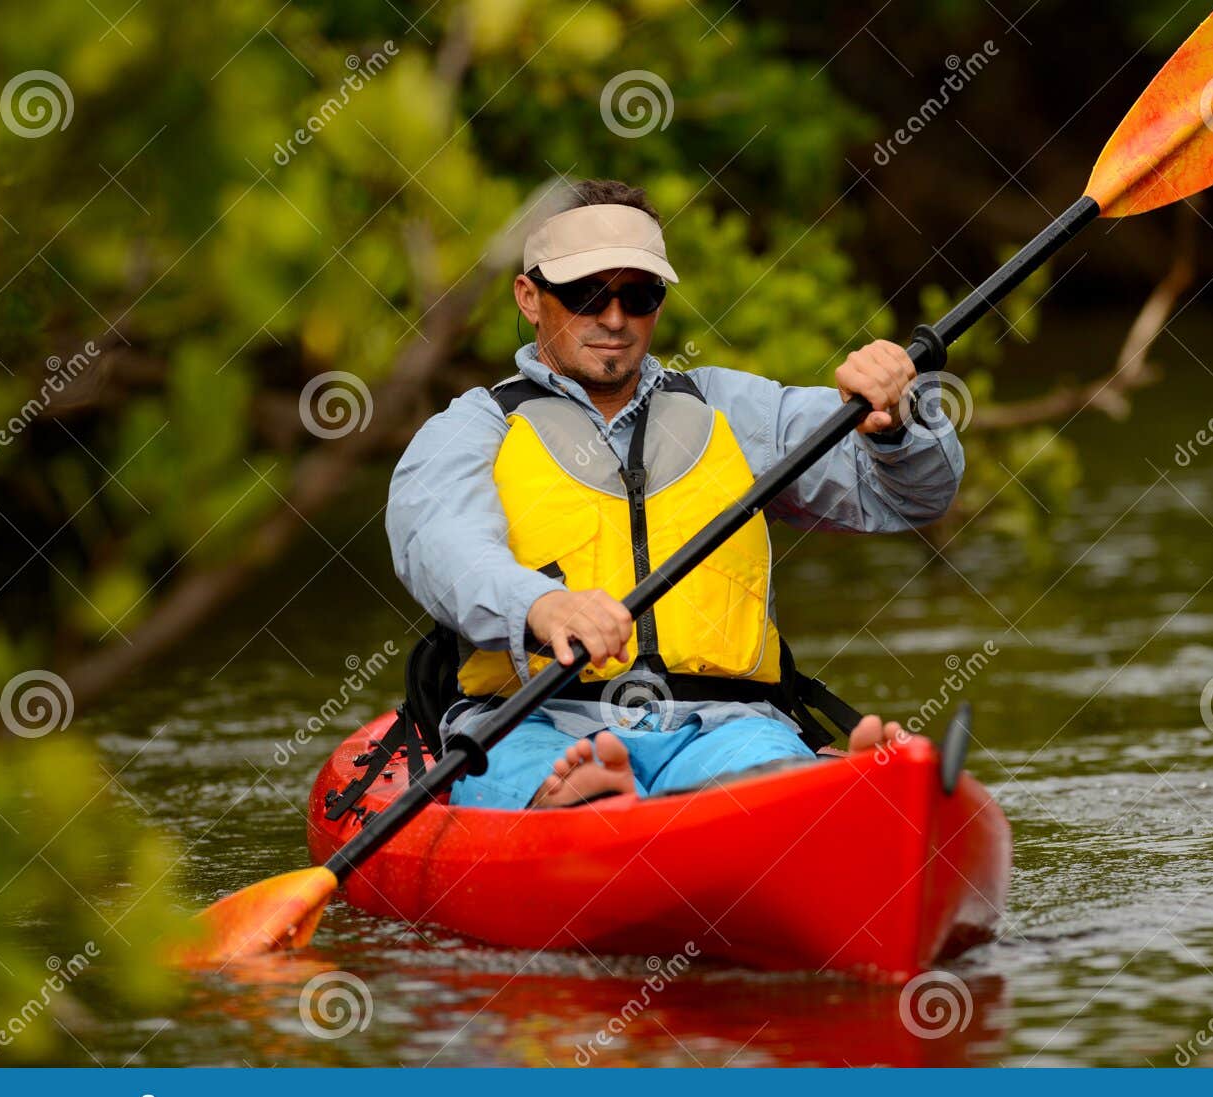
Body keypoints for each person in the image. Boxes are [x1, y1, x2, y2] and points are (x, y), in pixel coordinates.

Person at [386, 179, 963, 808]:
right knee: (544, 770)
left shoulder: (733, 411)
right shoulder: (474, 427)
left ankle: (808, 795)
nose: (613, 318)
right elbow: (438, 544)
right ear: (529, 296)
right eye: (586, 294)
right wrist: (540, 607)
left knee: (762, 762)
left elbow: (912, 497)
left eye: (638, 295)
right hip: (534, 724)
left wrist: (898, 422)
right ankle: (582, 803)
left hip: (724, 727)